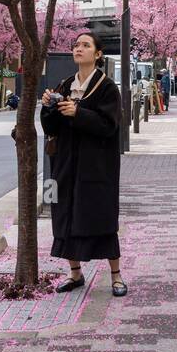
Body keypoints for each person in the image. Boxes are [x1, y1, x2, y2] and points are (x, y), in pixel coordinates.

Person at [40, 32, 127, 297]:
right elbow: (50, 127)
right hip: (66, 164)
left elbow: (110, 126)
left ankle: (116, 276)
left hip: (96, 167)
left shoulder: (107, 87)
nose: (79, 48)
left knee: (101, 217)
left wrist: (79, 113)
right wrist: (48, 108)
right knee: (65, 214)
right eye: (77, 45)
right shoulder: (65, 84)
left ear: (98, 54)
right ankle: (75, 272)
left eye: (85, 45)